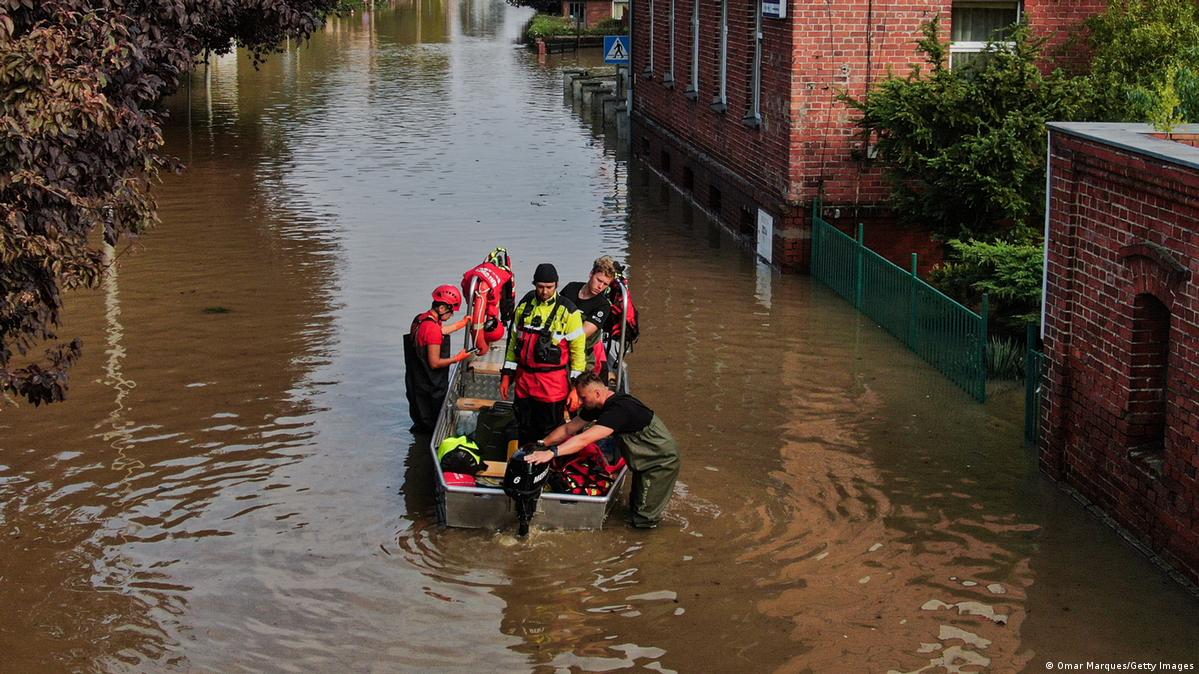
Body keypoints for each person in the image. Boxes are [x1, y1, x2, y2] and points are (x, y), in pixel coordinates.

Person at [525, 372, 680, 529]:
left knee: (643, 519)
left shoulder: (619, 410)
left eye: (583, 398)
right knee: (634, 506)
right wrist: (541, 444)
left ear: (597, 393)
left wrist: (552, 453)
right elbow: (568, 429)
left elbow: (583, 439)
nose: (579, 402)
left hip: (660, 462)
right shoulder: (597, 405)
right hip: (643, 459)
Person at [500, 263, 586, 445]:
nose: (545, 291)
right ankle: (525, 462)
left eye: (549, 287)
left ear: (556, 285)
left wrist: (576, 390)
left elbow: (578, 355)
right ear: (534, 284)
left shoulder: (568, 312)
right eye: (540, 287)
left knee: (550, 431)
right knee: (524, 427)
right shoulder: (525, 306)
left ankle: (550, 466)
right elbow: (514, 343)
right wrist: (507, 376)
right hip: (524, 382)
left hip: (552, 386)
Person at [404, 285, 473, 433]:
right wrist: (457, 358)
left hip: (416, 384)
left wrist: (461, 324)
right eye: (451, 311)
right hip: (430, 388)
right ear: (442, 308)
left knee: (421, 424)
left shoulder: (421, 319)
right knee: (432, 426)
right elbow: (434, 363)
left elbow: (438, 331)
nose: (451, 315)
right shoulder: (433, 329)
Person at [560, 256, 615, 377]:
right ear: (591, 274)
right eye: (599, 280)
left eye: (605, 284)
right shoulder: (571, 288)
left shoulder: (603, 305)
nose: (600, 287)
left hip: (584, 355)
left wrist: (557, 340)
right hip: (559, 347)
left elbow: (582, 334)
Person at [460, 247, 515, 353]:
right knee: (492, 330)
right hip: (482, 290)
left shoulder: (478, 280)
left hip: (479, 287)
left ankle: (482, 340)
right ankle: (482, 342)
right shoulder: (498, 279)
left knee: (491, 327)